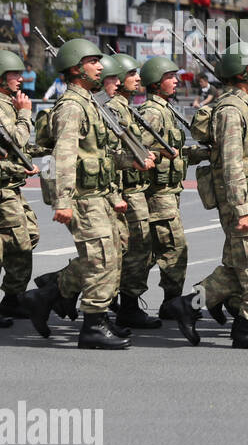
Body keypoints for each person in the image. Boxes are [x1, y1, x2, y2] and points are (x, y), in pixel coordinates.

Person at [23, 38, 152, 349]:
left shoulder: (91, 104)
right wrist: (64, 202)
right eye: (93, 61)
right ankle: (92, 326)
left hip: (101, 194)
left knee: (111, 255)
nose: (100, 67)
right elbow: (65, 155)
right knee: (99, 258)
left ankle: (50, 297)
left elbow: (99, 154)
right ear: (75, 68)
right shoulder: (70, 107)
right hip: (82, 197)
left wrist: (130, 160)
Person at [162, 43, 248, 349]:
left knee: (237, 267)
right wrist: (241, 209)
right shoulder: (231, 110)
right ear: (241, 73)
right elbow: (230, 163)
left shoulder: (245, 104)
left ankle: (188, 305)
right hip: (241, 201)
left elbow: (245, 158)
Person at [137, 56, 201, 320]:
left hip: (169, 193)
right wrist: (161, 154)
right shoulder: (151, 111)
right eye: (170, 77)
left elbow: (172, 150)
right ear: (155, 82)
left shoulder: (165, 109)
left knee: (150, 252)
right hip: (157, 194)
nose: (176, 81)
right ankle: (171, 303)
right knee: (175, 248)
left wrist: (198, 153)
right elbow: (137, 149)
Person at [103, 53, 163, 330]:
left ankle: (54, 290)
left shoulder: (125, 106)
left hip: (133, 185)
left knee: (132, 250)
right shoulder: (114, 108)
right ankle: (56, 290)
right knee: (134, 250)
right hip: (125, 187)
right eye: (130, 74)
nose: (138, 78)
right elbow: (112, 152)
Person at [0, 50, 39, 326]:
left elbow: (18, 147)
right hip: (3, 189)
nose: (20, 79)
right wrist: (26, 114)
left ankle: (12, 298)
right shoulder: (3, 106)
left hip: (12, 187)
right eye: (14, 74)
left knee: (30, 235)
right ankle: (12, 299)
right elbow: (15, 138)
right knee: (17, 244)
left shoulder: (8, 104)